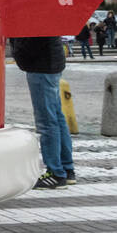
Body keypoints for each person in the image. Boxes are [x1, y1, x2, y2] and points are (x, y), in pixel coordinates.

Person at [10, 36, 74, 189]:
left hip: (41, 66)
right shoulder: (47, 15)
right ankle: (67, 168)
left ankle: (56, 173)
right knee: (57, 118)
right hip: (51, 63)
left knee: (47, 121)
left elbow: (28, 42)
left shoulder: (33, 19)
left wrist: (17, 51)